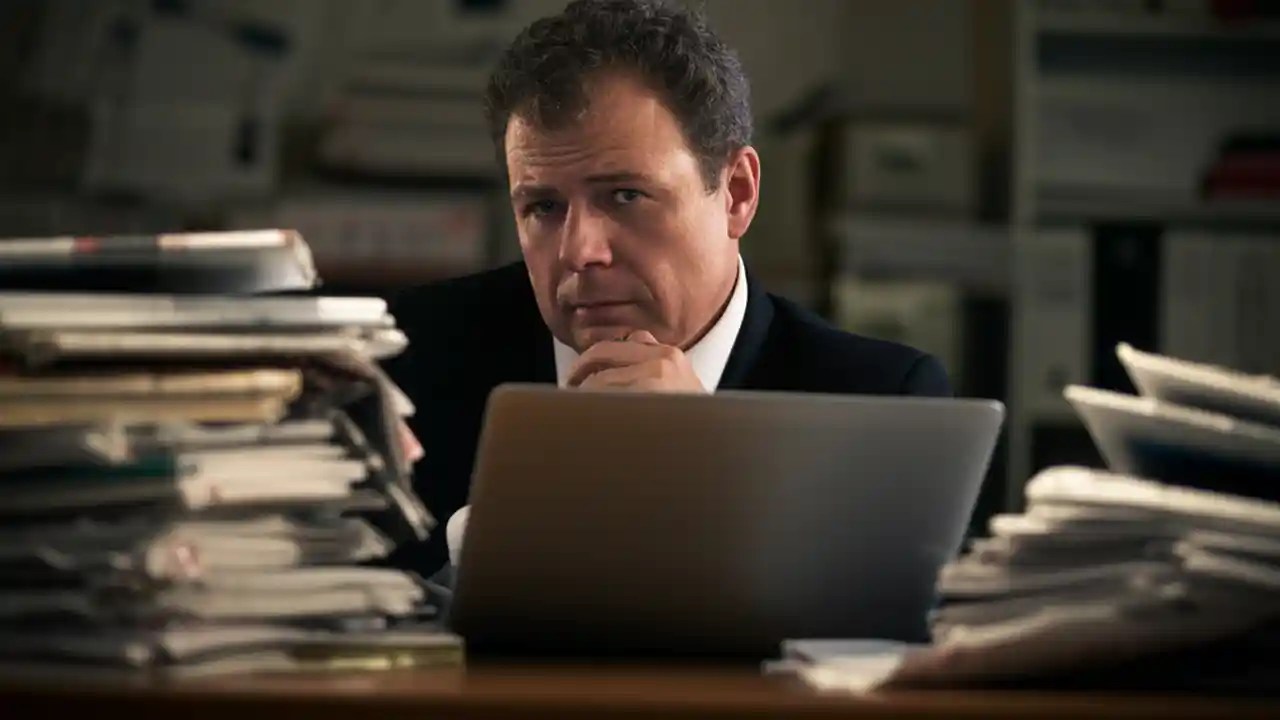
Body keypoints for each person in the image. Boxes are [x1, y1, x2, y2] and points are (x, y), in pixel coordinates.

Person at [383, 0, 951, 578]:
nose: (580, 251)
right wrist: (523, 517)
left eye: (625, 196)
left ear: (736, 193)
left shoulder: (882, 403)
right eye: (543, 207)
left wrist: (707, 472)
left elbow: (895, 640)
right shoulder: (406, 358)